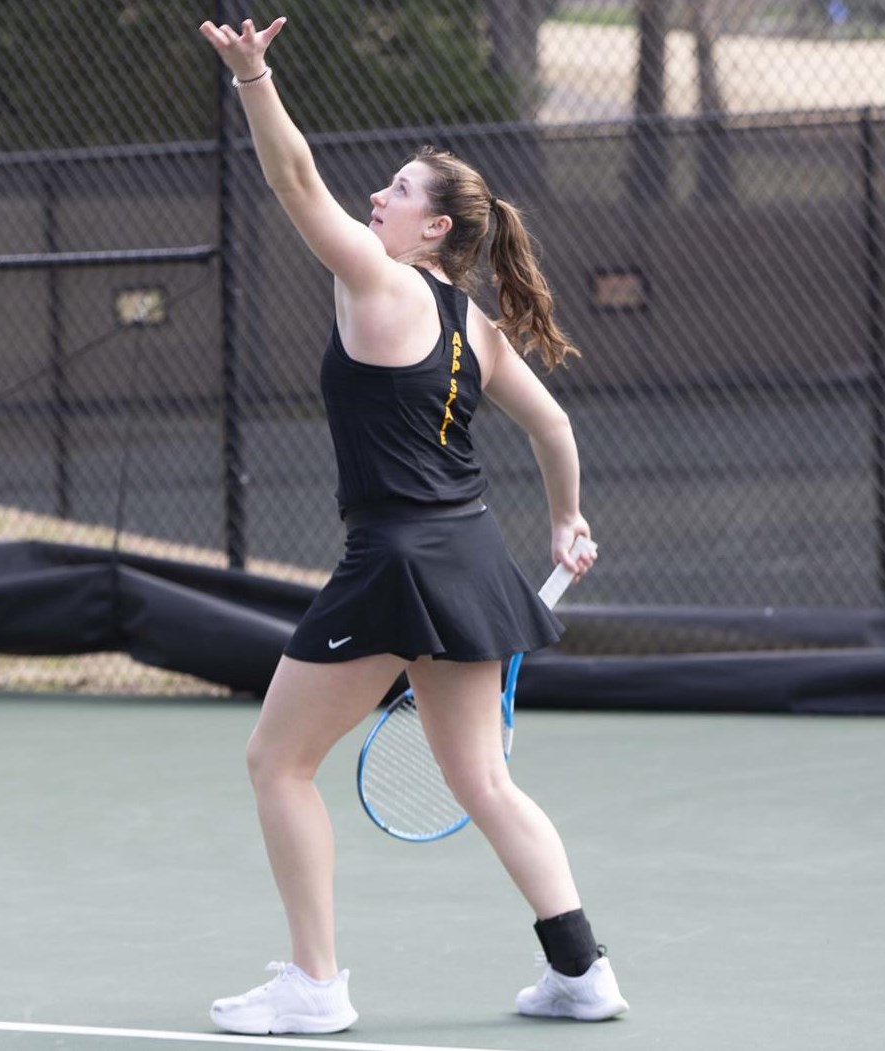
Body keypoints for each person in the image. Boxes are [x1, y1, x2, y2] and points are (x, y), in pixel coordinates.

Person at [196, 14, 627, 1035]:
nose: (377, 198)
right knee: (481, 778)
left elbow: (295, 184)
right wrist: (564, 519)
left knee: (276, 762)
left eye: (394, 190)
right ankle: (581, 971)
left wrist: (254, 78)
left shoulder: (379, 284)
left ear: (432, 229)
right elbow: (553, 425)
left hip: (395, 560)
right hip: (471, 556)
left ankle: (315, 985)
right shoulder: (476, 328)